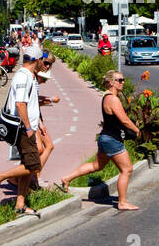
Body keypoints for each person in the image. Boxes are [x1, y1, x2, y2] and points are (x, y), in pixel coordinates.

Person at [58, 70, 141, 210]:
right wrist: (137, 130)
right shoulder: (113, 99)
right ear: (111, 82)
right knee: (127, 169)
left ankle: (67, 179)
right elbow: (125, 120)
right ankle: (122, 202)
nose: (122, 82)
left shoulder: (108, 97)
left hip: (105, 138)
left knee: (96, 166)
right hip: (112, 139)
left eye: (123, 80)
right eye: (119, 80)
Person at [0, 53, 43, 215]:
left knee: (26, 165)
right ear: (36, 60)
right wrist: (29, 128)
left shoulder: (28, 76)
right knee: (34, 166)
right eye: (42, 61)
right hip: (24, 129)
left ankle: (20, 204)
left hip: (27, 127)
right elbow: (20, 104)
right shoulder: (23, 77)